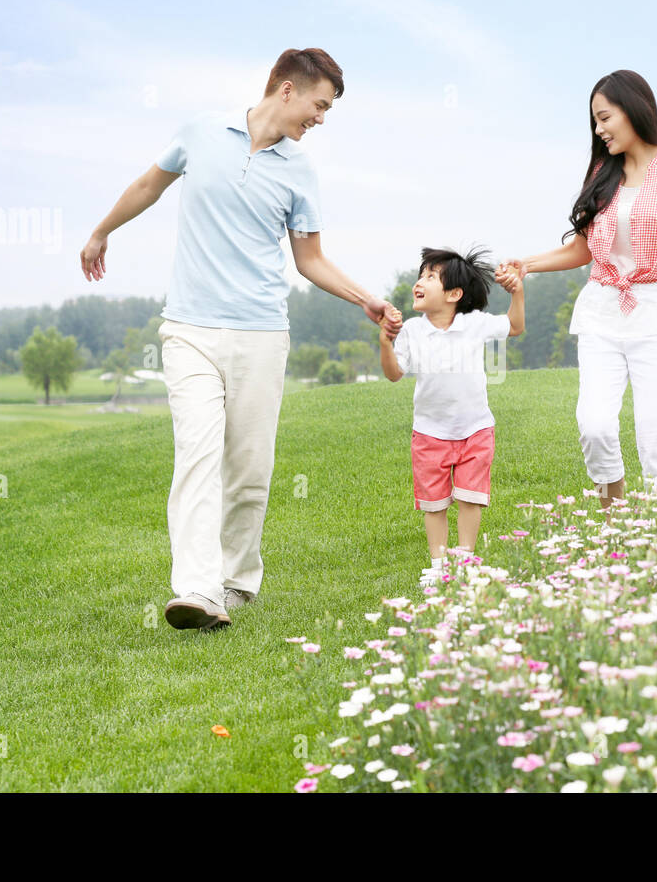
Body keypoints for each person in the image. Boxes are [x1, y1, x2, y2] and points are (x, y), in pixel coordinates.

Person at [79, 47, 401, 631]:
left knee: (249, 469)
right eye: (319, 105)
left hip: (260, 334)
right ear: (286, 89)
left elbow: (310, 259)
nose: (320, 119)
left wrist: (367, 300)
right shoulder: (201, 134)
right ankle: (198, 591)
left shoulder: (299, 170)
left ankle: (237, 582)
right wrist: (102, 230)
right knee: (197, 455)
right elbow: (149, 185)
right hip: (190, 330)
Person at [496, 69, 657, 509]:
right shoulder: (602, 171)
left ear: (634, 109)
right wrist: (528, 265)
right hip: (601, 312)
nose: (599, 130)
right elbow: (583, 249)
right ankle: (614, 522)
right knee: (595, 426)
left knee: (656, 440)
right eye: (594, 121)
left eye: (605, 117)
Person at [379, 246, 524, 586]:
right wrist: (386, 342)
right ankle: (439, 564)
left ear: (454, 294)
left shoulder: (474, 324)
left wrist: (517, 292)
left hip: (475, 428)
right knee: (434, 502)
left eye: (431, 276)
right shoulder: (413, 331)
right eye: (421, 275)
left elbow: (515, 326)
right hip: (429, 432)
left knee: (471, 497)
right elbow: (394, 373)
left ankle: (465, 561)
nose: (420, 281)